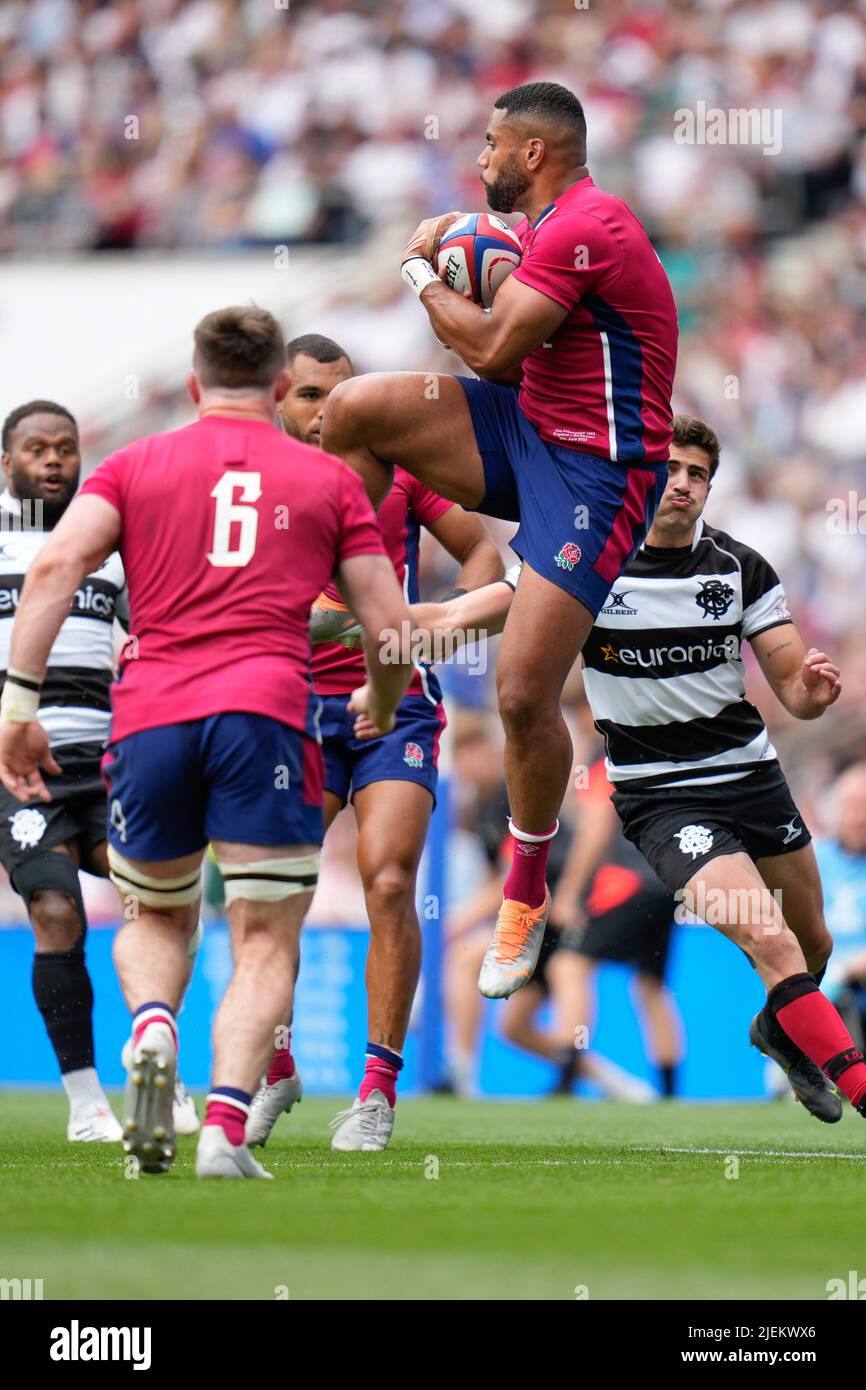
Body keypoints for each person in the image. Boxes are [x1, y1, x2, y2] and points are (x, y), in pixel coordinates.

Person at [0, 306, 414, 1179]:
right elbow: (389, 623)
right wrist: (379, 699)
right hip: (265, 713)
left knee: (155, 911)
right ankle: (224, 1129)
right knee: (263, 935)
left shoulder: (132, 464)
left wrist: (18, 706)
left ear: (193, 385)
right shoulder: (326, 481)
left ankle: (153, 1028)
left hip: (149, 713)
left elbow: (52, 568)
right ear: (275, 388)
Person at [320, 80, 678, 998]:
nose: (477, 161)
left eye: (489, 146)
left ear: (532, 154)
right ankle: (344, 596)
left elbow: (486, 352)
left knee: (522, 693)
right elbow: (503, 361)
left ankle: (523, 891)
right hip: (527, 430)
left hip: (600, 475)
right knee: (355, 407)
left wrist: (419, 270)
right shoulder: (542, 230)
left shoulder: (586, 225)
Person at [406, 413, 866, 1125]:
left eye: (697, 474)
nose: (681, 484)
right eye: (671, 468)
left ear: (709, 487)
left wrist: (814, 688)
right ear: (644, 472)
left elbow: (796, 695)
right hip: (665, 802)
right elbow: (467, 613)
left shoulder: (740, 568)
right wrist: (381, 627)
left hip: (753, 779)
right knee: (771, 942)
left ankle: (778, 1029)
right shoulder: (583, 561)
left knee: (813, 945)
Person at [246, 332, 502, 1153]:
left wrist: (435, 633)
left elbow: (484, 552)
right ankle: (275, 1067)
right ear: (279, 399)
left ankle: (377, 1093)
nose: (329, 411)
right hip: (289, 711)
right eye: (311, 395)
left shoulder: (403, 474)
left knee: (389, 880)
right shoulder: (253, 490)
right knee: (270, 895)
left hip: (397, 710)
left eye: (342, 394)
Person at [0, 399, 197, 1142]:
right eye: (36, 450)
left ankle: (161, 1061)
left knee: (163, 900)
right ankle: (86, 1103)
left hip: (111, 764)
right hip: (20, 771)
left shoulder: (109, 551)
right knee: (55, 911)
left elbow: (144, 643)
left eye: (65, 449)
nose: (53, 461)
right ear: (7, 463)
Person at [815, 764, 866, 1048]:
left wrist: (847, 969)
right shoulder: (815, 860)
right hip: (819, 978)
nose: (859, 818)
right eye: (851, 807)